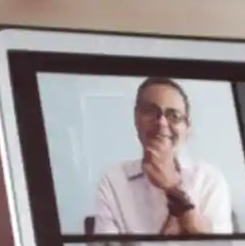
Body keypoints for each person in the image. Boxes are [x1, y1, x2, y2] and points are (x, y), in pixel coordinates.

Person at [93, 77, 234, 235]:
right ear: (136, 119)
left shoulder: (209, 179)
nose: (162, 123)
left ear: (187, 127)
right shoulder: (113, 179)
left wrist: (173, 189)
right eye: (151, 112)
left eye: (174, 116)